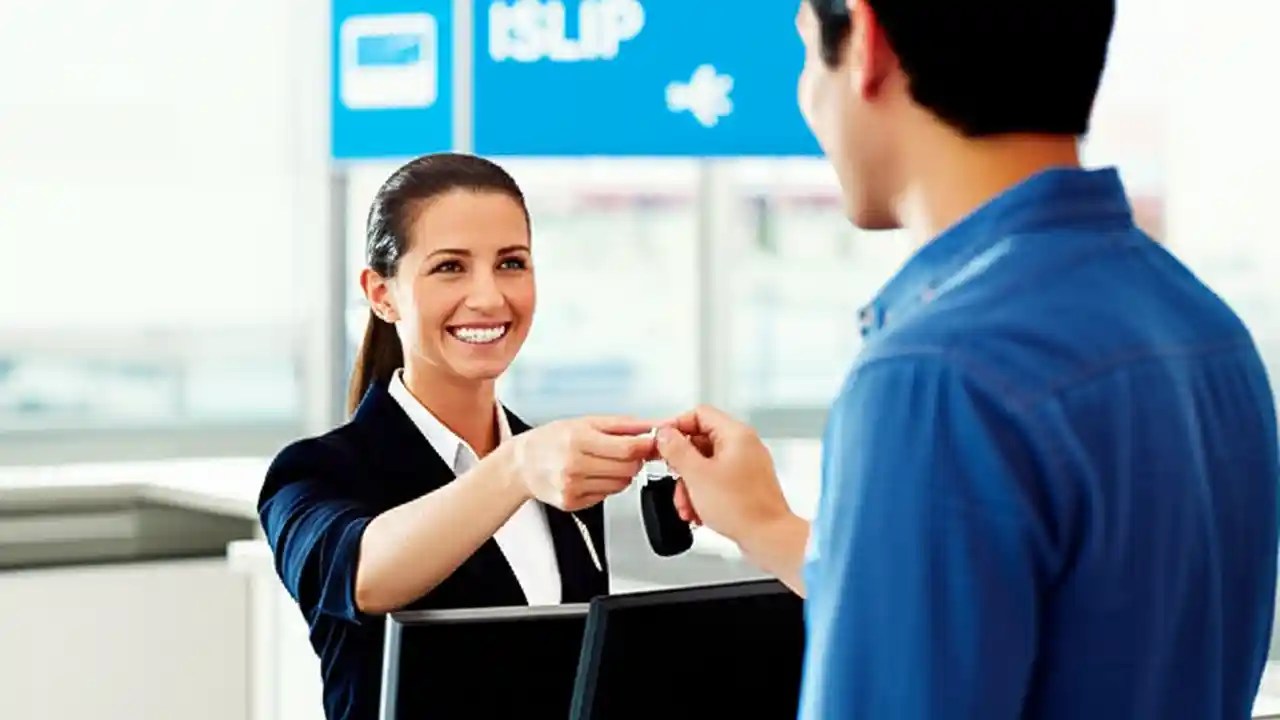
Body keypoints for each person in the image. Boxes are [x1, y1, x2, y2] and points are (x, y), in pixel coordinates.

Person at [657, 1, 1280, 718]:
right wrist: (766, 526)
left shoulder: (933, 377)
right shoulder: (1205, 331)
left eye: (804, 50)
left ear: (865, 41)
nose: (806, 98)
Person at [258, 153, 656, 720]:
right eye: (450, 267)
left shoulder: (555, 476)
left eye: (511, 263)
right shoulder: (313, 472)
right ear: (382, 294)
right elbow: (364, 575)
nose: (489, 297)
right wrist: (516, 468)